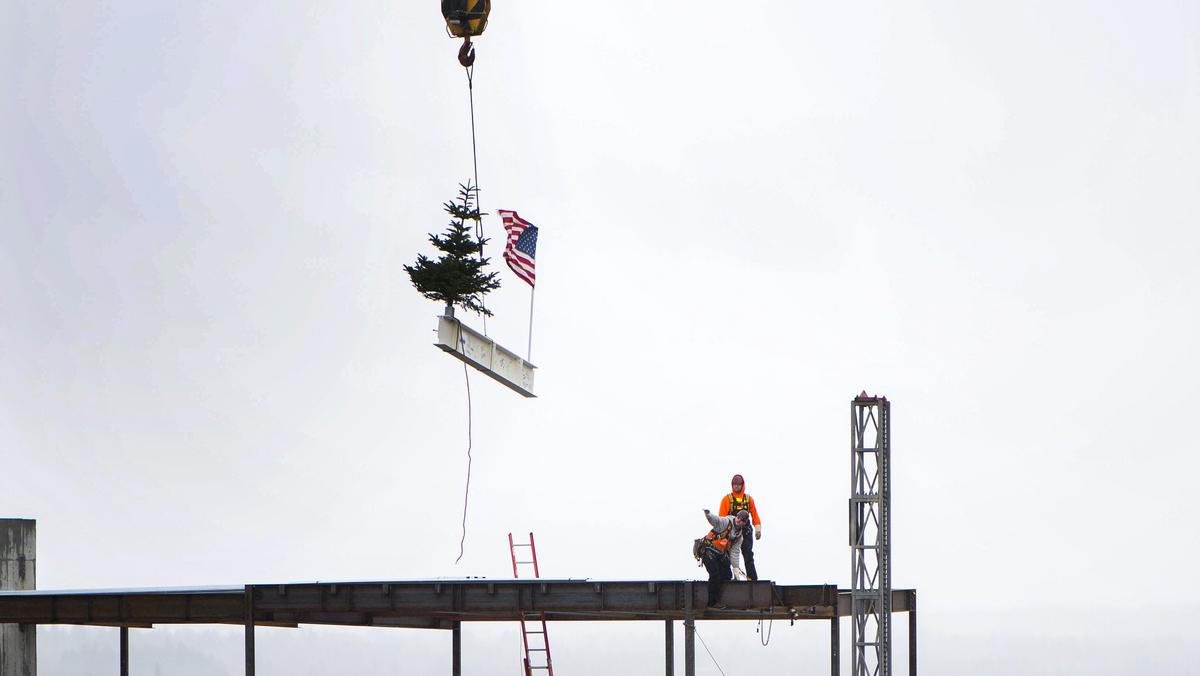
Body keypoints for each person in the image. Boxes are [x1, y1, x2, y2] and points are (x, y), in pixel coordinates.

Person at [699, 508, 748, 608]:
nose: (739, 520)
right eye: (738, 517)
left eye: (742, 520)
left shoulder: (739, 536)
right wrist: (709, 515)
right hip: (708, 550)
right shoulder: (726, 522)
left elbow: (734, 553)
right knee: (715, 575)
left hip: (720, 554)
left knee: (727, 575)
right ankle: (712, 603)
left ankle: (723, 598)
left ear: (745, 523)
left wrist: (736, 571)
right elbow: (716, 520)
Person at [719, 474, 762, 581]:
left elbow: (755, 515)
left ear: (742, 485)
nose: (736, 487)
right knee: (728, 556)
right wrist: (722, 535)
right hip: (731, 534)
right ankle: (728, 578)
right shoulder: (727, 499)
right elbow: (721, 518)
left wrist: (758, 530)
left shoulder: (748, 499)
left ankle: (752, 579)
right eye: (734, 485)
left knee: (748, 555)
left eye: (738, 485)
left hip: (746, 533)